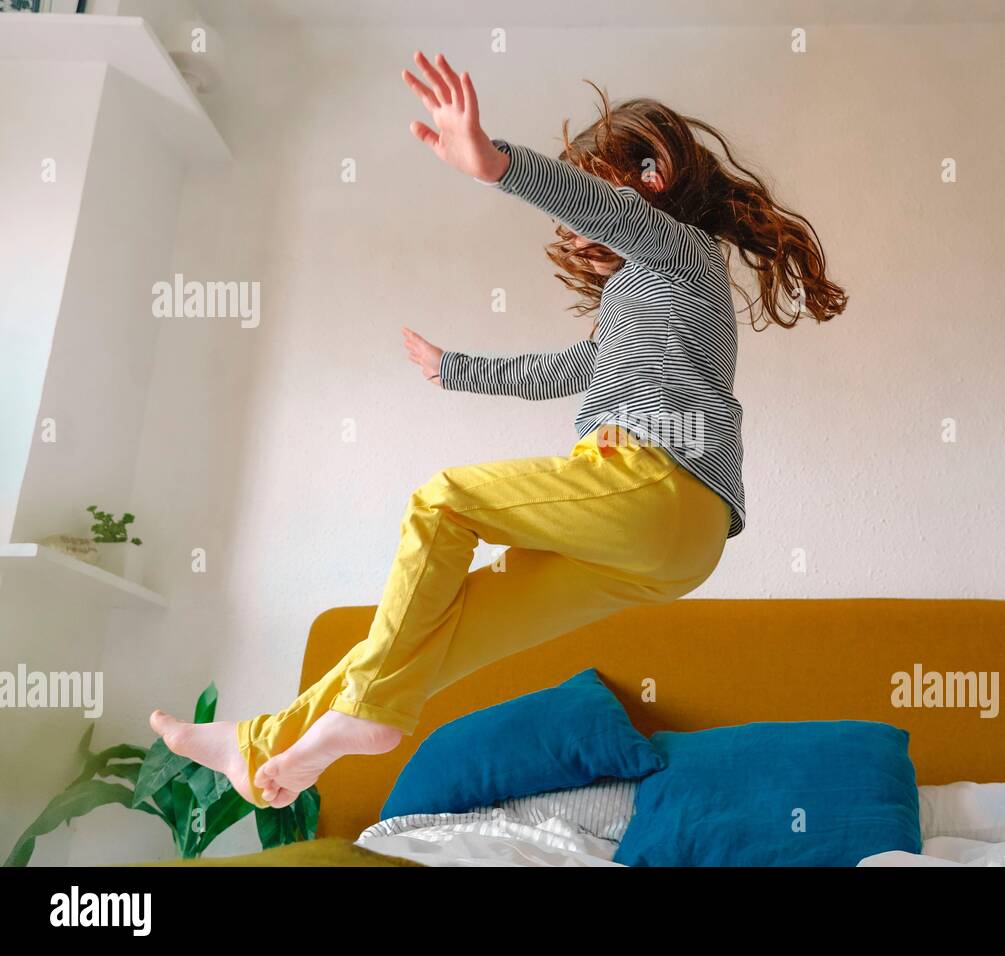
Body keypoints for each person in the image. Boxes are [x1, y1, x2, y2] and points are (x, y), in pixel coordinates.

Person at [151, 51, 847, 809]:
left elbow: (611, 214)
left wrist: (496, 165)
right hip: (668, 545)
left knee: (442, 499)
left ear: (652, 176)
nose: (584, 215)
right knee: (446, 627)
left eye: (599, 178)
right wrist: (456, 370)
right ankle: (264, 743)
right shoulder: (637, 297)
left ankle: (368, 720)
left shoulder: (680, 252)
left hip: (655, 483)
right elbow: (558, 372)